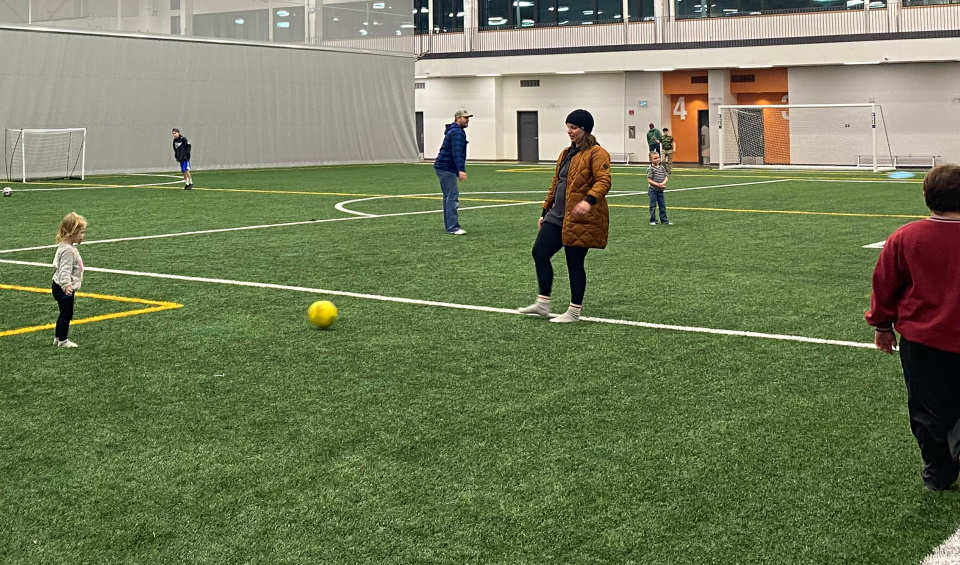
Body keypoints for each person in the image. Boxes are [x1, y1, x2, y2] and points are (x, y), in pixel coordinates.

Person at [865, 163, 960, 491]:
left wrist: (881, 325)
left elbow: (885, 284)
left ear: (926, 197)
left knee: (927, 410)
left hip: (923, 344)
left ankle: (939, 471)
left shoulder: (905, 238)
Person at [517, 109, 611, 324]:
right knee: (539, 253)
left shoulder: (597, 153)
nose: (569, 131)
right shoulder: (566, 153)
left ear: (584, 129)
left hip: (580, 219)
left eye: (574, 128)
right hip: (557, 215)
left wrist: (588, 202)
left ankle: (574, 312)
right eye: (568, 127)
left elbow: (604, 181)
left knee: (574, 264)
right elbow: (556, 184)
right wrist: (545, 211)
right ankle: (542, 304)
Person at [51, 212, 87, 348]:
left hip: (59, 285)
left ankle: (58, 336)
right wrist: (66, 285)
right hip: (63, 287)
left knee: (63, 312)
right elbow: (64, 270)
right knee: (66, 313)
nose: (83, 236)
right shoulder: (68, 251)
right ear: (72, 232)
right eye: (81, 233)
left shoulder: (66, 247)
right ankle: (63, 340)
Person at [433, 110, 472, 235]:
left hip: (443, 166)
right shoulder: (457, 132)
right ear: (458, 118)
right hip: (446, 167)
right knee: (452, 196)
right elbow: (457, 152)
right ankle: (452, 227)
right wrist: (460, 169)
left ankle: (449, 225)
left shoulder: (453, 131)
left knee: (448, 197)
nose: (467, 120)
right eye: (465, 118)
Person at [647, 152, 672, 226]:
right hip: (653, 190)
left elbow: (666, 177)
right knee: (653, 206)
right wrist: (657, 184)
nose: (658, 159)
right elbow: (649, 179)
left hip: (660, 190)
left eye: (658, 157)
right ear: (650, 160)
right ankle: (653, 220)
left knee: (662, 206)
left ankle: (664, 220)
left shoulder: (661, 168)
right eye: (655, 158)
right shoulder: (651, 169)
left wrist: (663, 183)